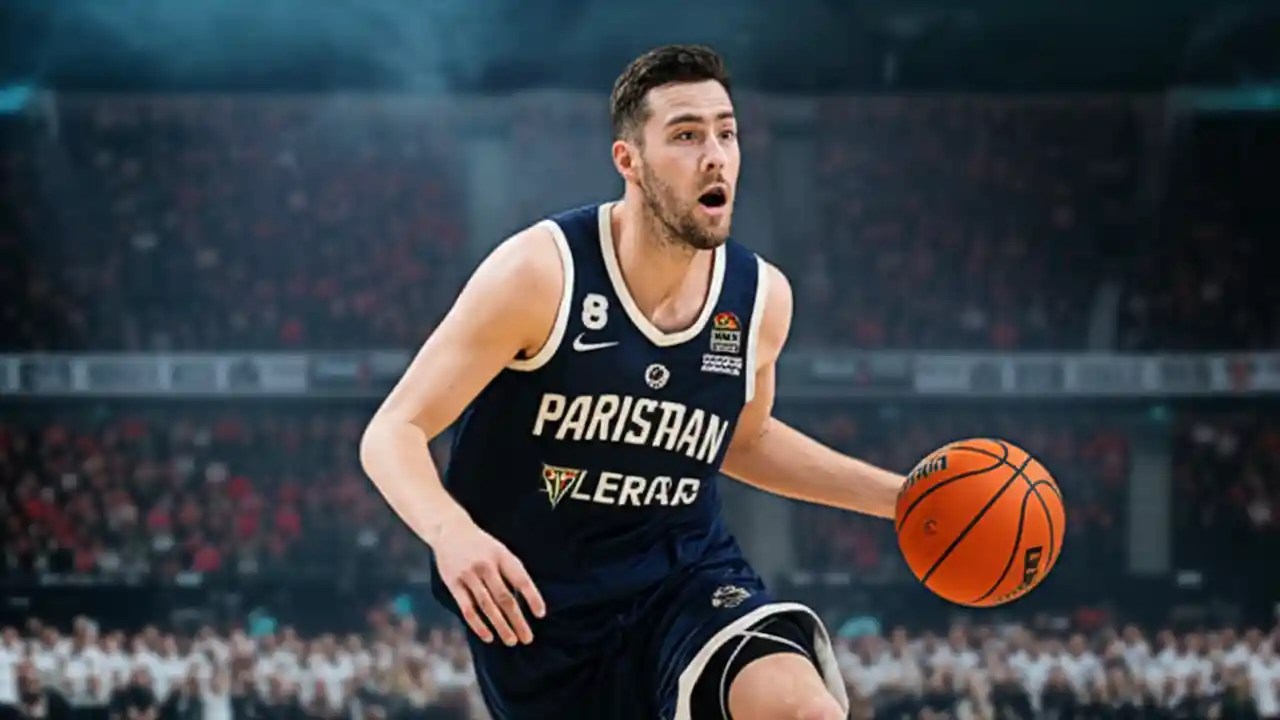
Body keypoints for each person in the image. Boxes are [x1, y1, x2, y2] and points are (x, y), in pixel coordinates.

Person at [361, 43, 903, 720]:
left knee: (806, 711)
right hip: (544, 620)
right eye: (685, 135)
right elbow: (392, 431)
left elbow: (742, 438)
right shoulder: (541, 274)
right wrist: (451, 532)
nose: (715, 155)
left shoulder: (760, 298)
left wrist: (903, 501)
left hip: (688, 580)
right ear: (630, 162)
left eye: (726, 133)